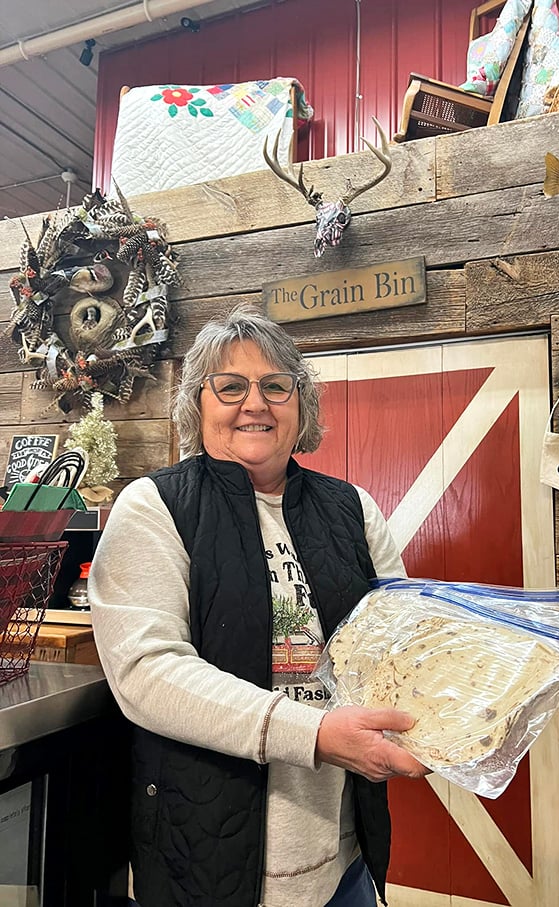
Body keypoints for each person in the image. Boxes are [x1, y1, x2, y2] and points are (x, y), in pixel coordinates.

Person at [89, 303, 428, 907]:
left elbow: (399, 647)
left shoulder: (351, 509)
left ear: (302, 405)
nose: (255, 403)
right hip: (208, 865)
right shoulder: (155, 507)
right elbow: (146, 672)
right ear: (199, 403)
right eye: (231, 386)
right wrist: (316, 732)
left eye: (276, 386)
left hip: (342, 857)